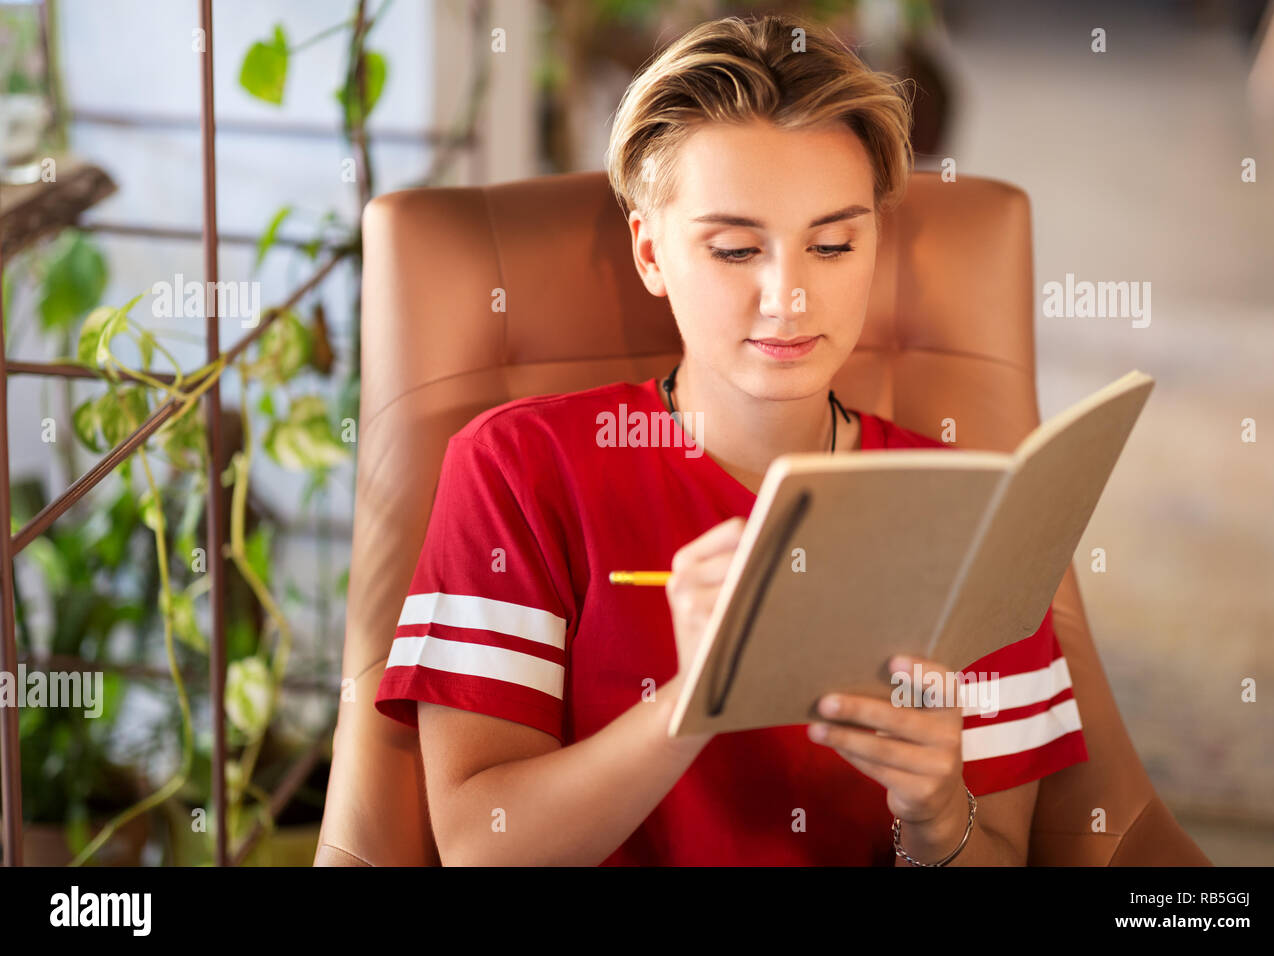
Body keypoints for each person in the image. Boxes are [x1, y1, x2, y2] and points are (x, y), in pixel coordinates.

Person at [373, 13, 1088, 866]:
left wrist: (935, 813)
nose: (788, 296)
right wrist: (693, 706)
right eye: (736, 249)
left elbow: (1002, 853)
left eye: (832, 244)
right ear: (649, 251)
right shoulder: (521, 470)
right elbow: (481, 849)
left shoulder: (972, 510)